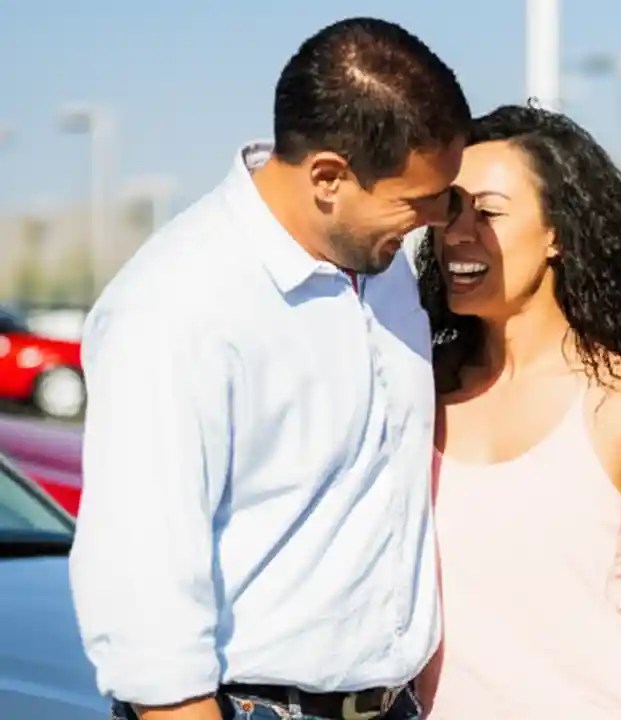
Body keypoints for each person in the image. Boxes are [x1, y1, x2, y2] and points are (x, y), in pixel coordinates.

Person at [68, 17, 469, 720]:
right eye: (419, 201)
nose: (439, 220)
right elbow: (142, 583)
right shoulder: (173, 308)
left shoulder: (382, 267)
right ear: (328, 178)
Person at [415, 105, 621, 719]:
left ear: (558, 233)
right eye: (450, 211)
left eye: (489, 212)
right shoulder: (415, 393)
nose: (459, 233)